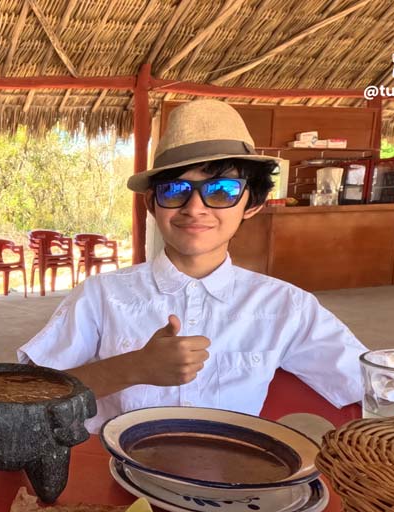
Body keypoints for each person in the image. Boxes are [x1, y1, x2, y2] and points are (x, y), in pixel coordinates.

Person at [19, 99, 366, 432]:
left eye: (221, 189)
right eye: (174, 189)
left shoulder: (287, 307)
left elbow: (373, 386)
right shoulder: (101, 296)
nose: (195, 207)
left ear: (252, 202)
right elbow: (28, 396)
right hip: (114, 473)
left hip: (233, 481)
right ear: (152, 204)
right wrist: (131, 367)